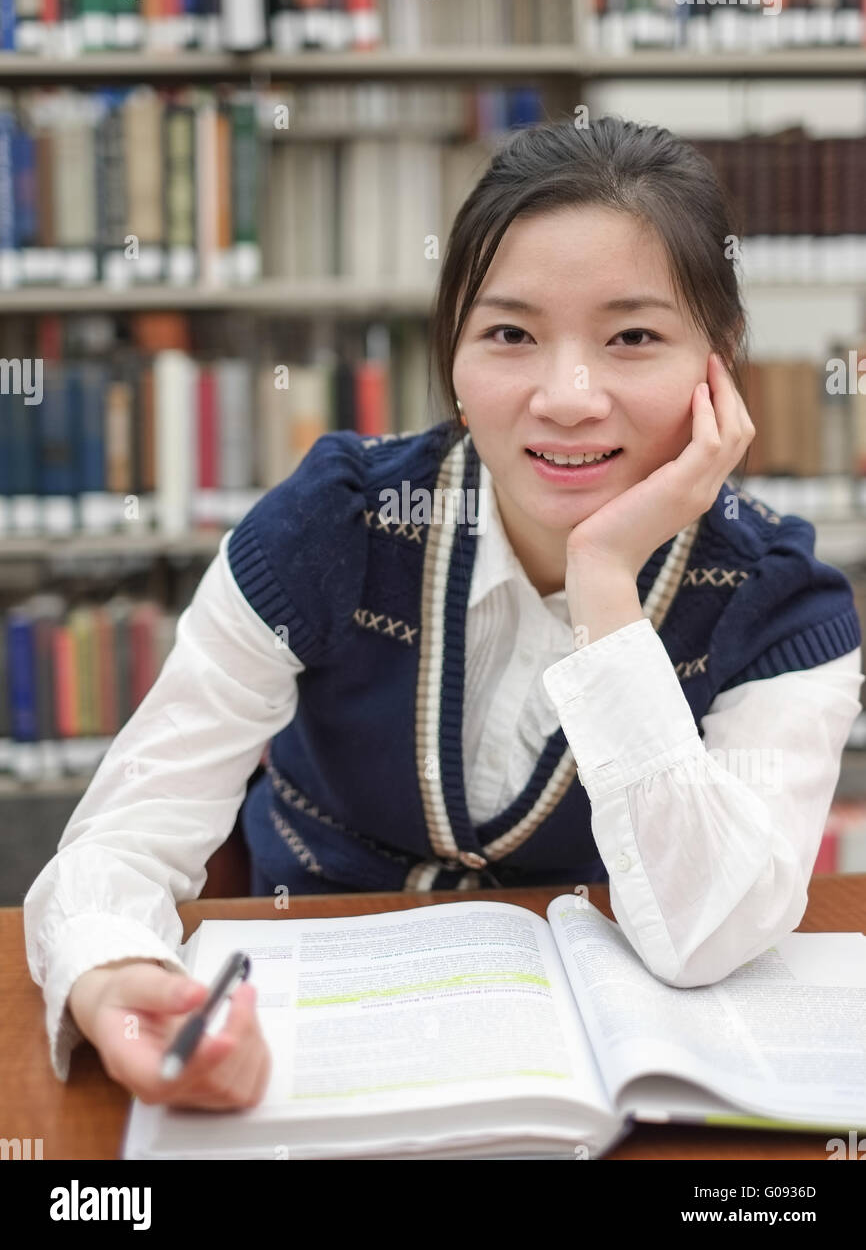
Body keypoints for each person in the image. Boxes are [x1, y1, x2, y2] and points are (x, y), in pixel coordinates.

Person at [23, 115, 864, 1114]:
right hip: (302, 1041)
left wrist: (603, 587)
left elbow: (705, 935)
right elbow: (124, 835)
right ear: (452, 356)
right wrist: (116, 974)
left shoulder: (779, 601)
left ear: (717, 361)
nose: (565, 397)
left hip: (604, 1087)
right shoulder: (336, 522)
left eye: (631, 337)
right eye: (508, 334)